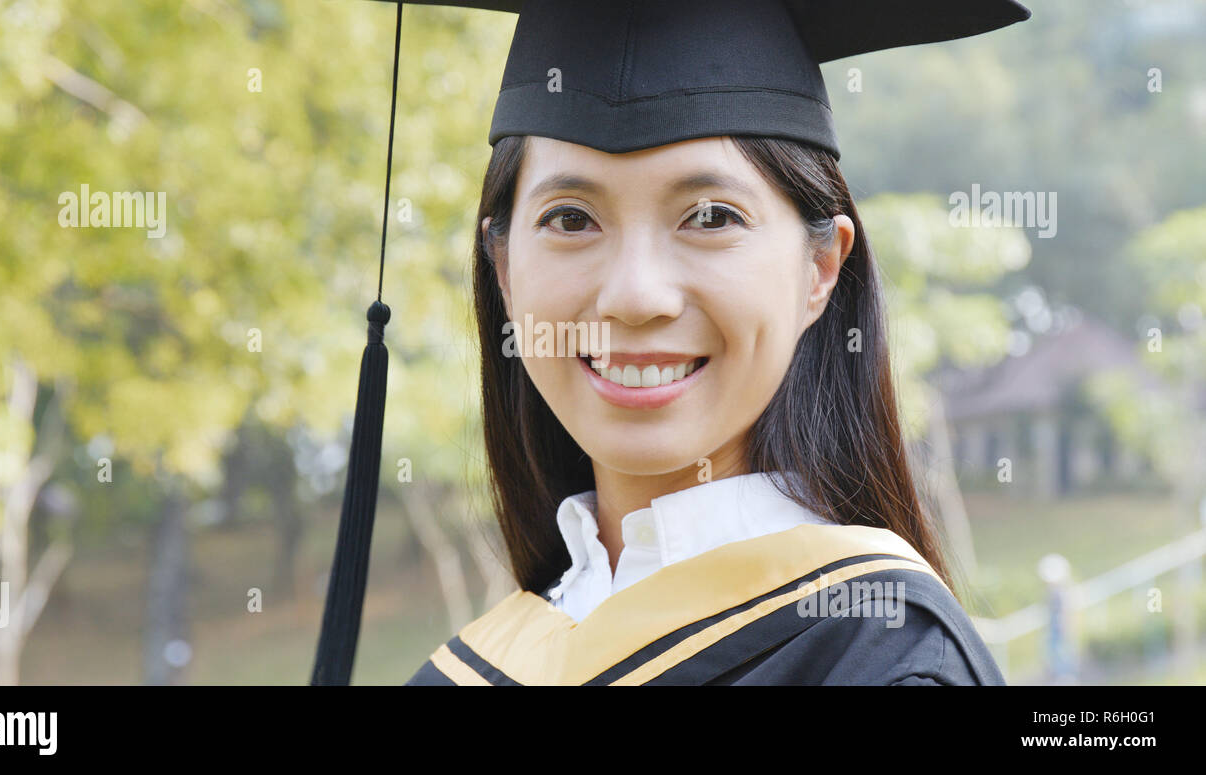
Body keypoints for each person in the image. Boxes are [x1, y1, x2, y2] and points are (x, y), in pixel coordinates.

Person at [355, 0, 1032, 685]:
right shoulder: (469, 670)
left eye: (710, 216)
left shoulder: (885, 662)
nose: (636, 295)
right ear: (503, 268)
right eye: (570, 218)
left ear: (821, 268)